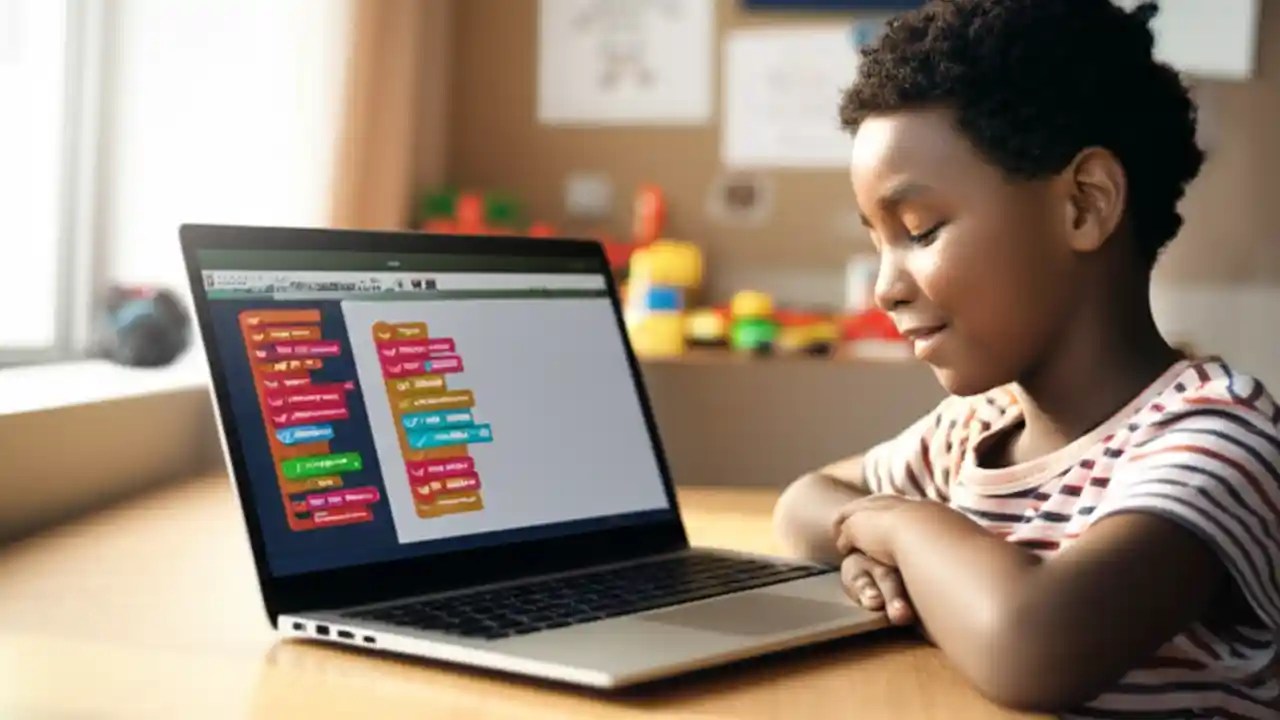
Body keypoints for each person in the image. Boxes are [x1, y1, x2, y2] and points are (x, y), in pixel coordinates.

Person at [771, 1, 1280, 717]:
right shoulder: (975, 432)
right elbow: (802, 503)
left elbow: (1033, 648)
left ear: (1084, 205)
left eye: (919, 230)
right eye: (877, 240)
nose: (885, 287)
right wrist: (869, 538)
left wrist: (900, 528)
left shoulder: (1219, 439)